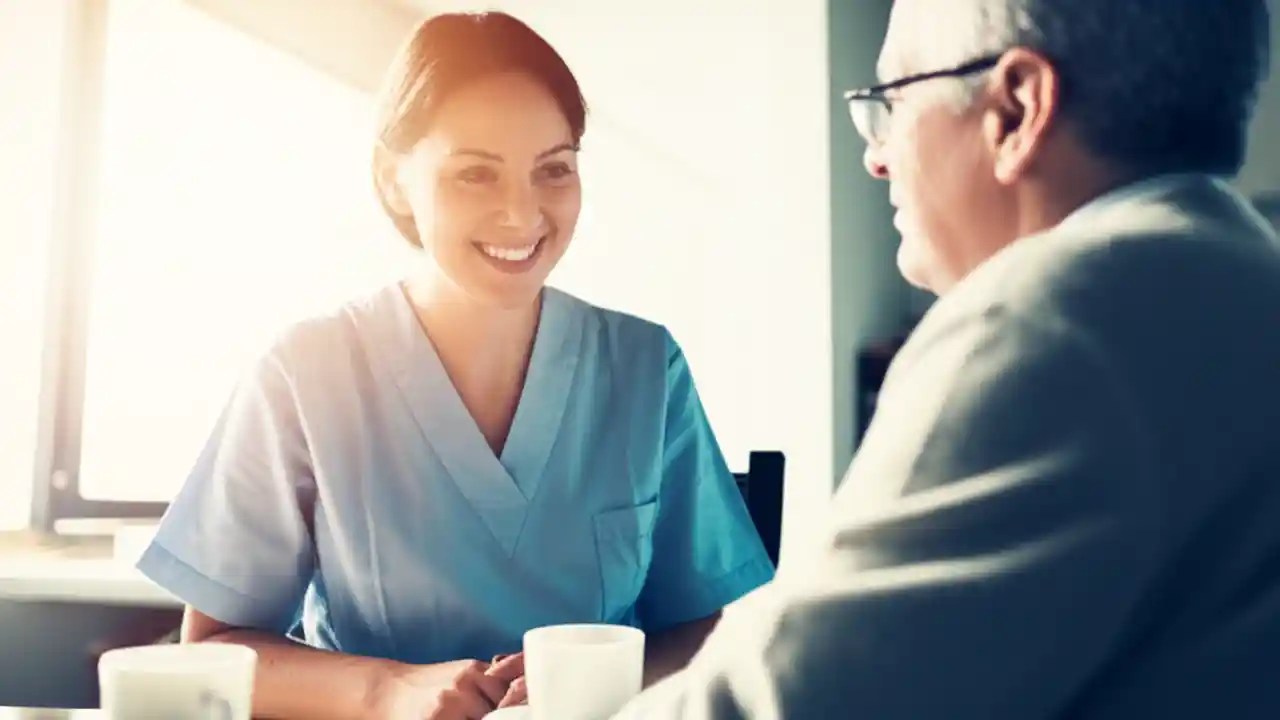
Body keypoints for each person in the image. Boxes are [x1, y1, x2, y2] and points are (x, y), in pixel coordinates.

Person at [616, 0, 1280, 718]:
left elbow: (776, 704)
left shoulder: (1055, 317)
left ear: (1015, 110)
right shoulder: (1240, 276)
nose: (875, 156)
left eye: (892, 104)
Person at [135, 12, 774, 720]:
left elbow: (715, 627)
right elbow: (214, 649)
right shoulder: (306, 373)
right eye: (476, 173)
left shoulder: (645, 368)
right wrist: (387, 689)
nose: (521, 212)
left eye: (553, 169)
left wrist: (604, 677)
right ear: (395, 179)